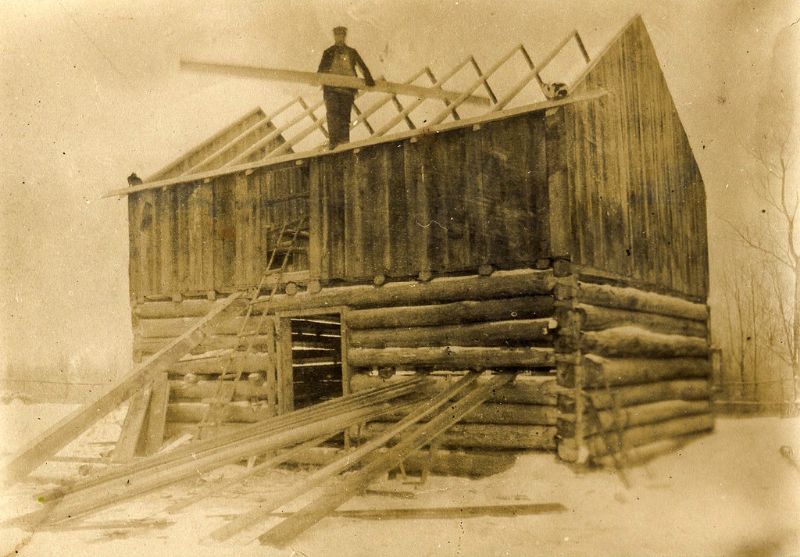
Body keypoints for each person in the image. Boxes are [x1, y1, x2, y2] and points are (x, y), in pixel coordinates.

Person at [317, 26, 375, 149]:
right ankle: (333, 142)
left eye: (342, 35)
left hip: (347, 90)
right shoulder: (328, 52)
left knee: (344, 116)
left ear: (344, 36)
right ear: (334, 36)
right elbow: (320, 70)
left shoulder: (351, 52)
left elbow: (362, 66)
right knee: (332, 114)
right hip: (331, 89)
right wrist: (320, 79)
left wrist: (368, 77)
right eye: (337, 35)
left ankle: (344, 143)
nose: (339, 38)